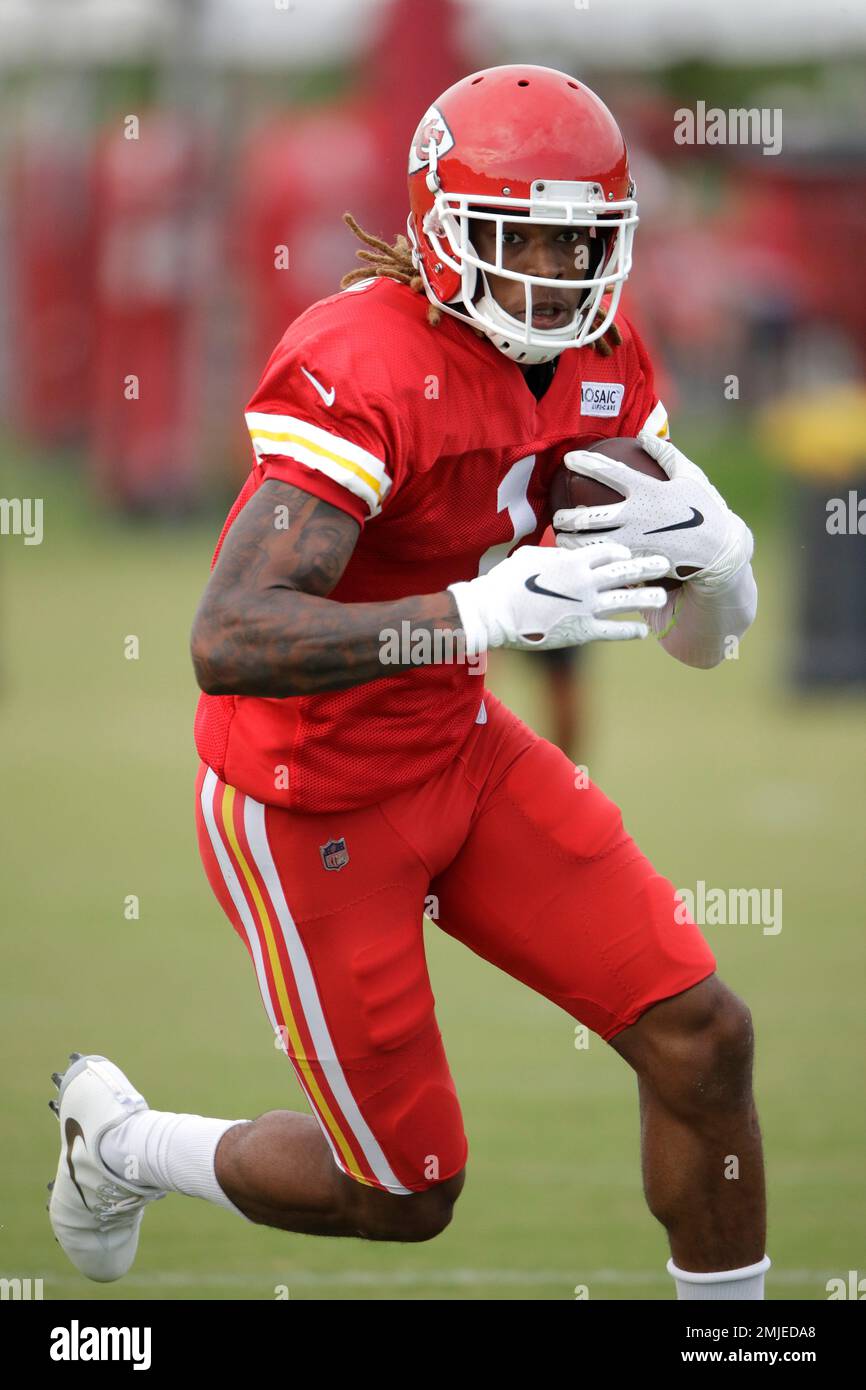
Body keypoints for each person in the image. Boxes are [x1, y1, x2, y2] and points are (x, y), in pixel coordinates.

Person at [49, 65, 767, 1300]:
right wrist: (471, 613)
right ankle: (120, 1144)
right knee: (405, 1196)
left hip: (458, 752)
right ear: (443, 228)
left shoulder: (601, 353)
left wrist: (722, 575)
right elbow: (228, 634)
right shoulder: (361, 360)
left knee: (701, 1038)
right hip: (307, 796)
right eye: (524, 234)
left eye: (582, 236)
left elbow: (688, 641)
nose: (557, 268)